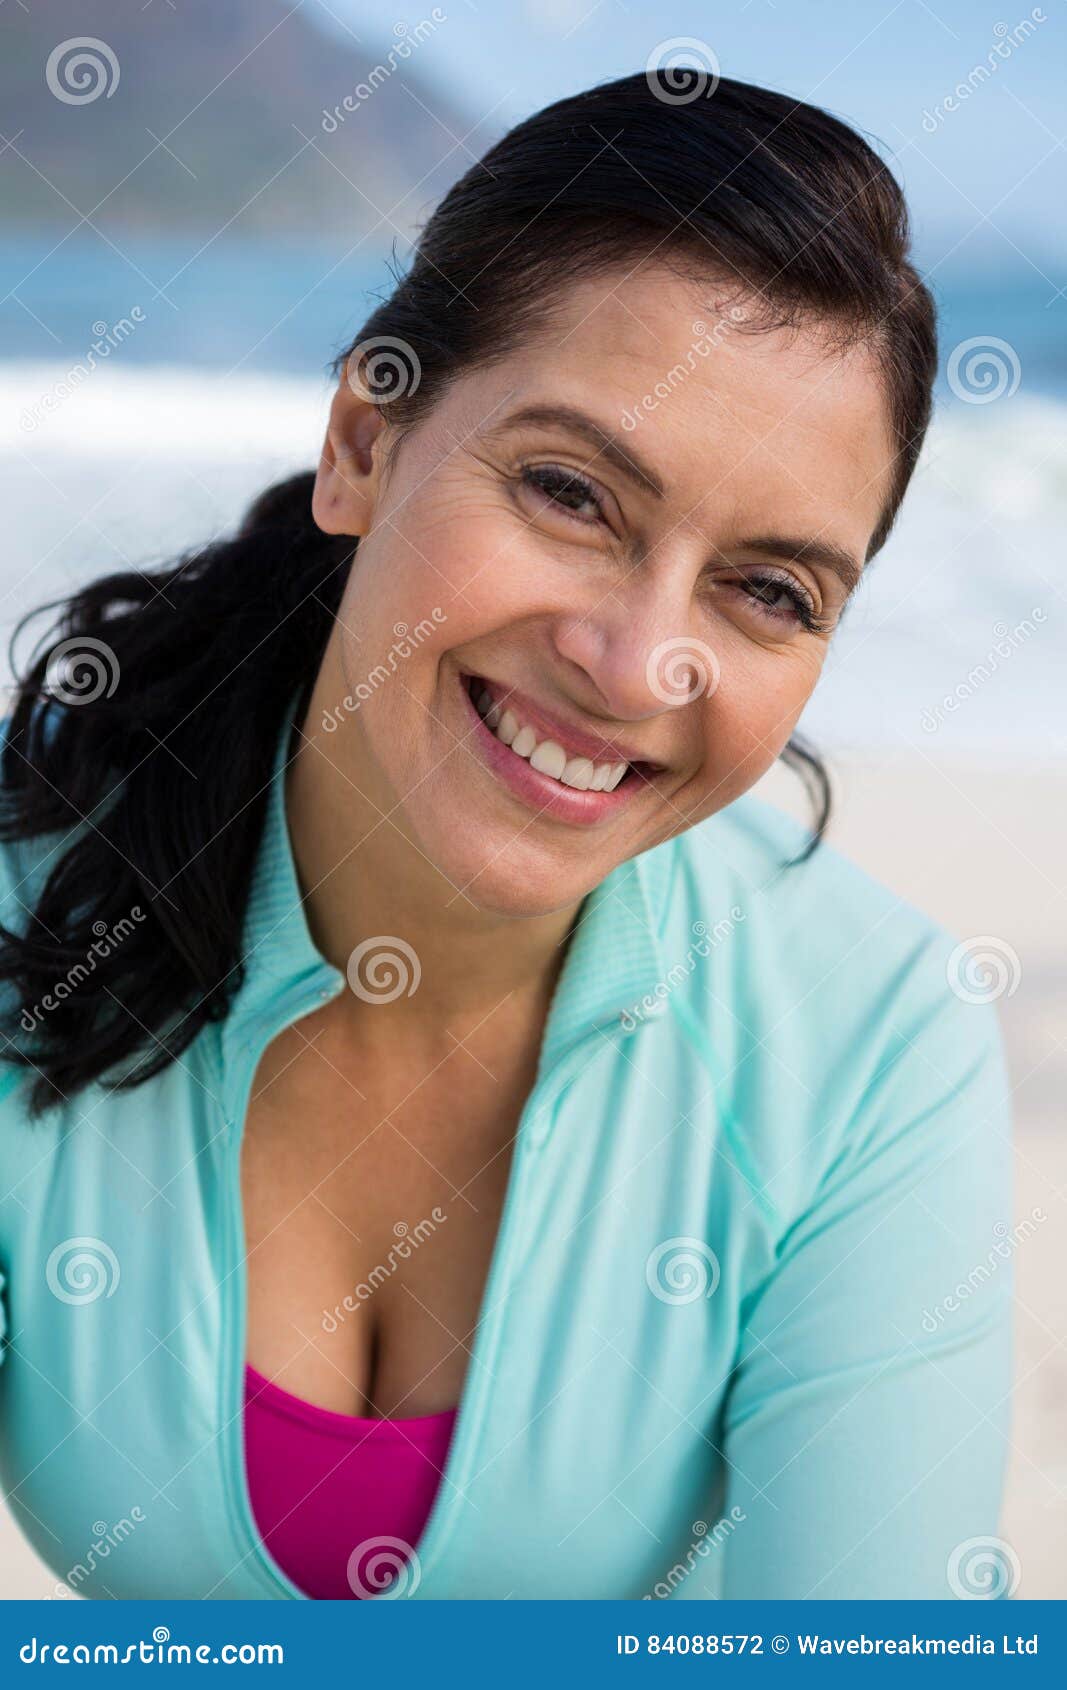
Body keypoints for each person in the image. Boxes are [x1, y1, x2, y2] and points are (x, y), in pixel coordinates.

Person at [0, 71, 1011, 1601]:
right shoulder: (37, 919)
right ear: (362, 442)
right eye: (570, 493)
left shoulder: (870, 1050)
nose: (635, 664)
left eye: (768, 589)